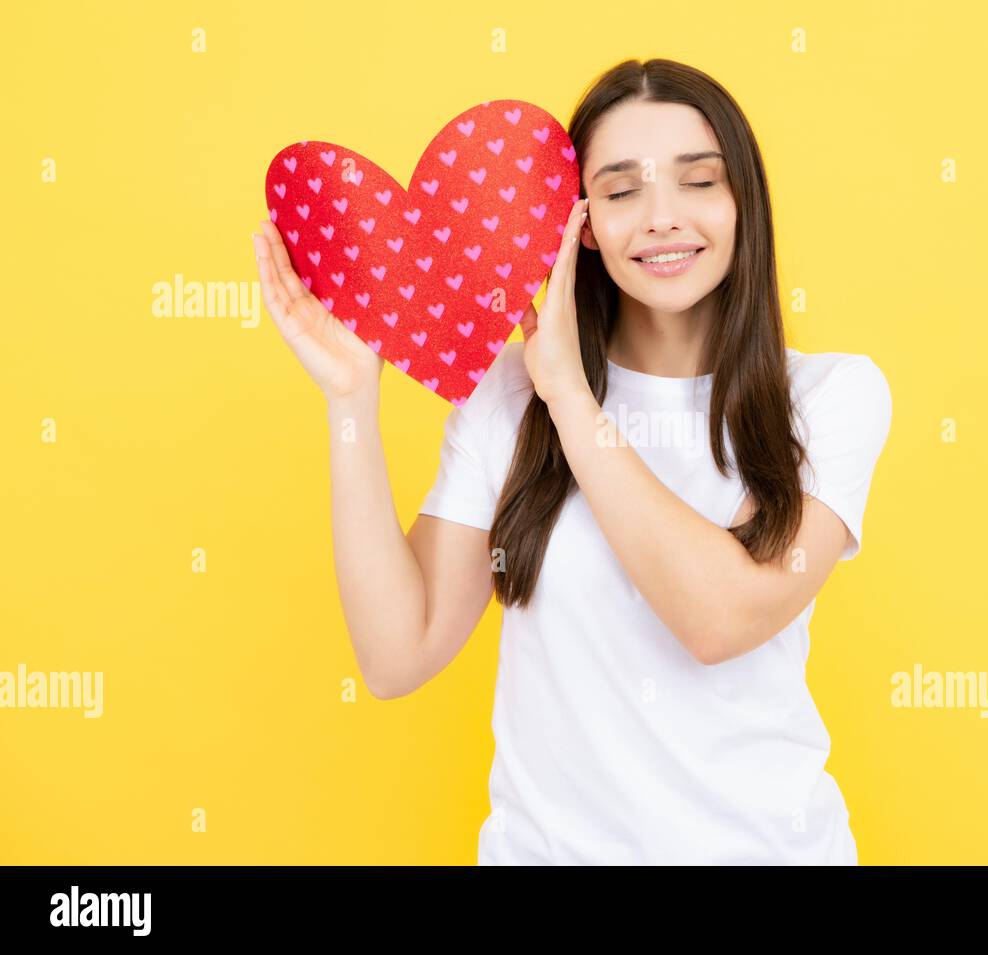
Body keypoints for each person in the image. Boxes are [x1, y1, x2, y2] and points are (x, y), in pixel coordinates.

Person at [251, 57, 892, 865]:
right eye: (622, 192)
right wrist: (350, 404)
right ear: (577, 222)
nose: (662, 218)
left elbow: (719, 618)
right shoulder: (508, 397)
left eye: (699, 181)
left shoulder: (833, 396)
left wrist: (571, 398)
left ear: (743, 205)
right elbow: (396, 654)